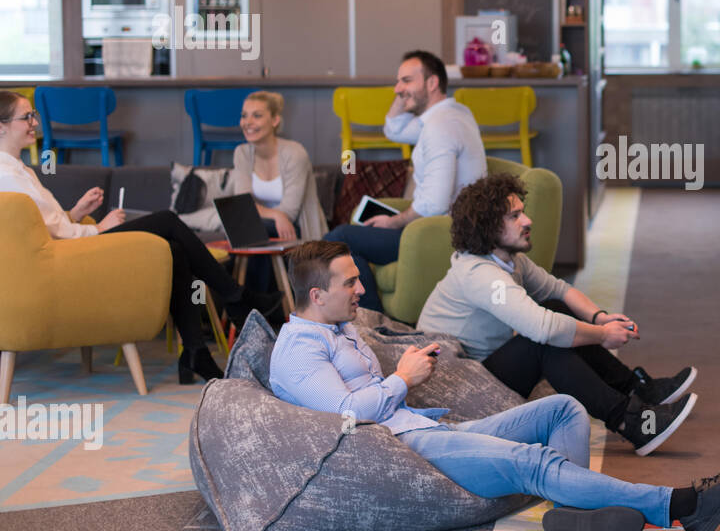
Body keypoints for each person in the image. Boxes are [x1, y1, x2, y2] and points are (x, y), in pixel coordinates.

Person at [269, 240, 720, 531]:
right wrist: (403, 379)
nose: (361, 289)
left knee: (564, 409)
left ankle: (573, 510)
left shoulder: (338, 326)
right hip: (405, 449)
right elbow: (347, 416)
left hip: (427, 427)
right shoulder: (297, 351)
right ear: (316, 295)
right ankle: (681, 507)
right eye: (351, 282)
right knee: (536, 463)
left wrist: (403, 374)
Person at [0, 90, 279, 385]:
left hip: (66, 250)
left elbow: (40, 227)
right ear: (1, 126)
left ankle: (195, 352)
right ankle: (235, 297)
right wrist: (99, 227)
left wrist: (76, 212)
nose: (34, 122)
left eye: (34, 115)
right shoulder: (9, 175)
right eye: (26, 117)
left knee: (174, 248)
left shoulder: (19, 170)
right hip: (69, 257)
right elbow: (53, 237)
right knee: (168, 220)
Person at [418, 173, 698, 456]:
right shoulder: (482, 277)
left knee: (556, 311)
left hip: (478, 368)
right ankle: (629, 421)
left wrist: (600, 318)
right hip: (458, 387)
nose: (527, 221)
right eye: (514, 216)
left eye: (522, 212)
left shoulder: (508, 262)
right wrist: (602, 336)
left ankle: (636, 390)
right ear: (488, 228)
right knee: (543, 343)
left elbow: (559, 291)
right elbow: (545, 329)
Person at [324, 51, 487, 312]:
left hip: (438, 234)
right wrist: (405, 93)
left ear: (432, 83)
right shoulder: (453, 115)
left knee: (339, 239)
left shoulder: (440, 128)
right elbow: (394, 129)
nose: (397, 89)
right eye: (398, 81)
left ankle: (371, 322)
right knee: (348, 247)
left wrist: (394, 221)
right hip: (437, 227)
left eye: (407, 81)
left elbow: (434, 204)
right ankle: (367, 318)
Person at [232, 91, 328, 241]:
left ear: (275, 120)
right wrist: (276, 215)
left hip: (297, 229)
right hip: (264, 225)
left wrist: (278, 216)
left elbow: (289, 212)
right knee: (241, 229)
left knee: (249, 229)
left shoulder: (295, 153)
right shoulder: (241, 153)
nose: (247, 122)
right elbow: (243, 204)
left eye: (257, 116)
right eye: (244, 115)